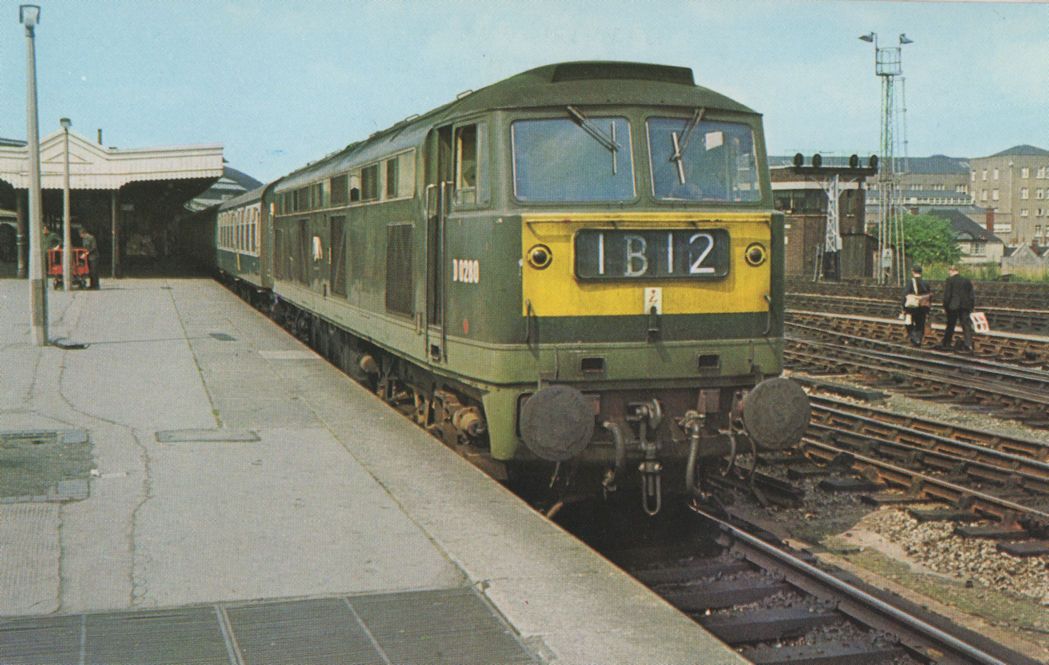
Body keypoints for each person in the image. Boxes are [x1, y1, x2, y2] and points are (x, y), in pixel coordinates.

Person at [938, 265, 975, 351]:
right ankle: (968, 344)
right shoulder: (966, 280)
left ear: (951, 270)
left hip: (953, 306)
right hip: (965, 306)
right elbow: (971, 295)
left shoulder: (949, 280)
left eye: (949, 271)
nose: (949, 273)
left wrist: (945, 306)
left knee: (951, 325)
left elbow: (947, 295)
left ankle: (946, 342)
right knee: (966, 325)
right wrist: (971, 307)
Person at [902, 265, 931, 346]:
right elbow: (929, 296)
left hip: (911, 308)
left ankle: (914, 338)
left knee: (909, 323)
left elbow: (905, 295)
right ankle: (918, 339)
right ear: (921, 272)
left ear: (913, 272)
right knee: (920, 324)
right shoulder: (926, 283)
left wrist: (904, 307)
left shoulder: (910, 282)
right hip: (923, 307)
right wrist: (928, 309)